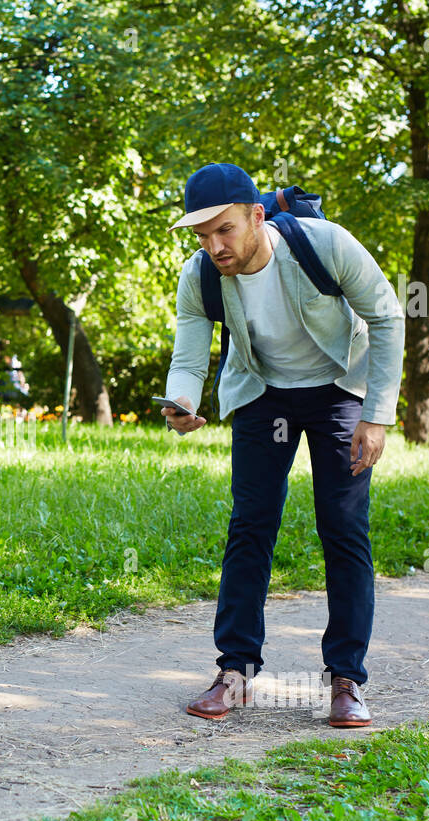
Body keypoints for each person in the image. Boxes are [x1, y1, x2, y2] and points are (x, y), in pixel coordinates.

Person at [159, 163, 404, 729]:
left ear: (256, 216)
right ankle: (235, 672)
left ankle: (346, 679)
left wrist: (377, 415)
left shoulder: (323, 244)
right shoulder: (199, 275)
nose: (213, 246)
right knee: (251, 524)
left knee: (342, 527)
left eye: (224, 230)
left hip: (339, 388)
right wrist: (181, 401)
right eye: (201, 235)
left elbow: (387, 317)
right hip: (264, 393)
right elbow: (190, 352)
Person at [0, 338, 30, 406]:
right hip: (6, 390)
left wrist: (23, 384)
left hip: (15, 388)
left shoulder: (15, 359)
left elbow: (20, 375)